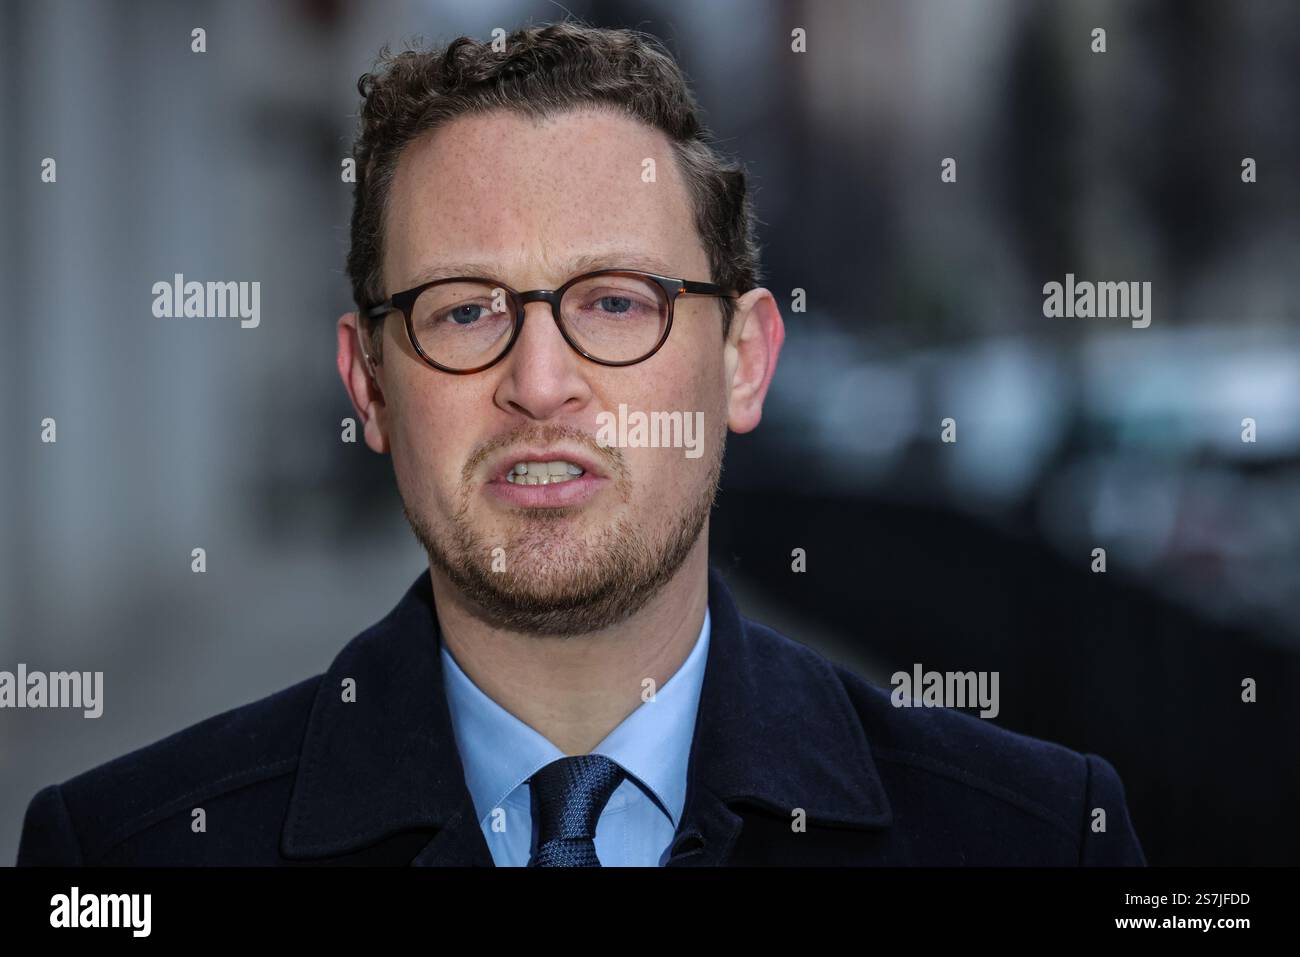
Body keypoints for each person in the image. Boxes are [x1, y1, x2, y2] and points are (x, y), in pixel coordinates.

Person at [17, 20, 1144, 867]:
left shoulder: (1038, 840)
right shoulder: (122, 857)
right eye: (463, 309)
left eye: (614, 302)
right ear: (369, 385)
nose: (540, 384)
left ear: (743, 361)